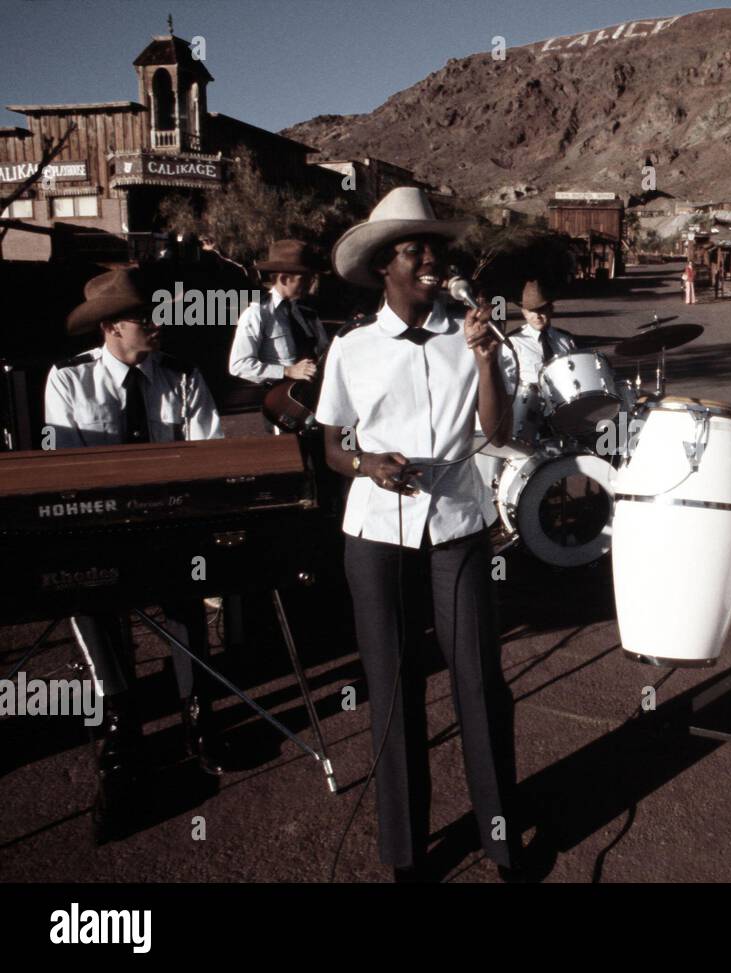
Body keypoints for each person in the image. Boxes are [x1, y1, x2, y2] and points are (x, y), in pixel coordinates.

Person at [315, 187, 525, 882]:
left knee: (479, 679)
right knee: (395, 686)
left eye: (437, 247)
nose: (433, 259)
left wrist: (488, 358)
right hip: (375, 534)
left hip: (459, 525)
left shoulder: (467, 338)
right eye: (416, 249)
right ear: (384, 265)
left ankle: (500, 837)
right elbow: (330, 448)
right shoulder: (351, 348)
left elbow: (497, 435)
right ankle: (406, 852)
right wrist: (365, 464)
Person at [44, 268, 227, 843]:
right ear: (110, 328)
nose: (156, 323)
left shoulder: (180, 374)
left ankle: (198, 711)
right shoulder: (69, 379)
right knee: (93, 597)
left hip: (170, 522)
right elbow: (69, 470)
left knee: (187, 595)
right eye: (143, 317)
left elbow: (208, 452)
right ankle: (123, 722)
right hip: (100, 527)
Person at [229, 239, 329, 389]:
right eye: (304, 279)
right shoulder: (257, 314)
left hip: (312, 398)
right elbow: (239, 365)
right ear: (283, 279)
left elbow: (324, 352)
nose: (310, 285)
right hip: (281, 401)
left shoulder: (307, 314)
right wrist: (287, 371)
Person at [500, 279, 576, 396]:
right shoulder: (513, 343)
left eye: (541, 310)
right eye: (531, 311)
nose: (537, 316)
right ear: (524, 313)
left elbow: (576, 373)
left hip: (565, 402)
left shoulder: (566, 340)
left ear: (551, 310)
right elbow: (506, 383)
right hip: (530, 408)